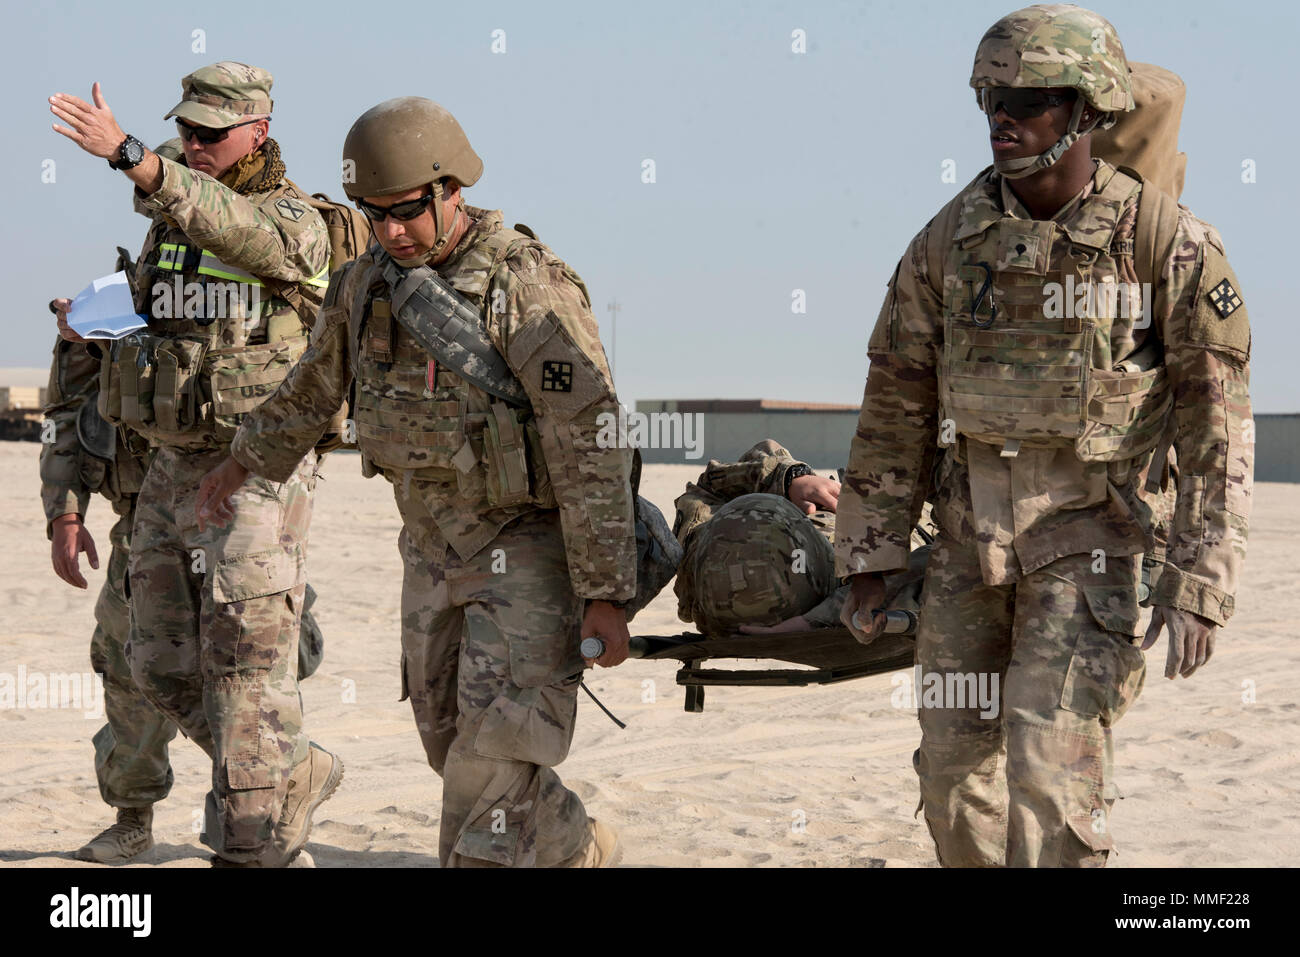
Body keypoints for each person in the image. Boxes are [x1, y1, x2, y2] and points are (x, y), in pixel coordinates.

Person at [836, 5, 1254, 867]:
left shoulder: (1164, 245)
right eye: (991, 94)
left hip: (1091, 546)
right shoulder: (948, 243)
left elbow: (1216, 423)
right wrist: (871, 555)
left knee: (1048, 772)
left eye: (1030, 97)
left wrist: (1200, 578)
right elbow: (895, 403)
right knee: (952, 776)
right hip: (966, 552)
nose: (1003, 115)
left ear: (1088, 110)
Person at [196, 96, 637, 867]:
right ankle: (572, 843)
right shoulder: (366, 282)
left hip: (525, 547)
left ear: (452, 189)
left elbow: (588, 437)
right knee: (447, 739)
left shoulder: (522, 283)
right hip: (430, 547)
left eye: (406, 212)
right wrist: (243, 458)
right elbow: (312, 385)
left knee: (490, 757)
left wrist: (606, 589)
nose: (392, 231)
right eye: (376, 214)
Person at [48, 62, 342, 866]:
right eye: (185, 130)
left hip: (256, 466)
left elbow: (237, 232)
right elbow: (165, 316)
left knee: (244, 667)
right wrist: (99, 322)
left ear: (261, 131)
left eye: (210, 133)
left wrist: (134, 156)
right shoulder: (168, 227)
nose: (193, 144)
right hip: (172, 466)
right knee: (156, 662)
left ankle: (252, 840)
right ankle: (292, 774)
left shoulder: (297, 219)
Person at [673, 439, 929, 636]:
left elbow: (705, 489)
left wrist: (790, 479)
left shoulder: (698, 562)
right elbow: (930, 564)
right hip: (907, 529)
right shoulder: (869, 585)